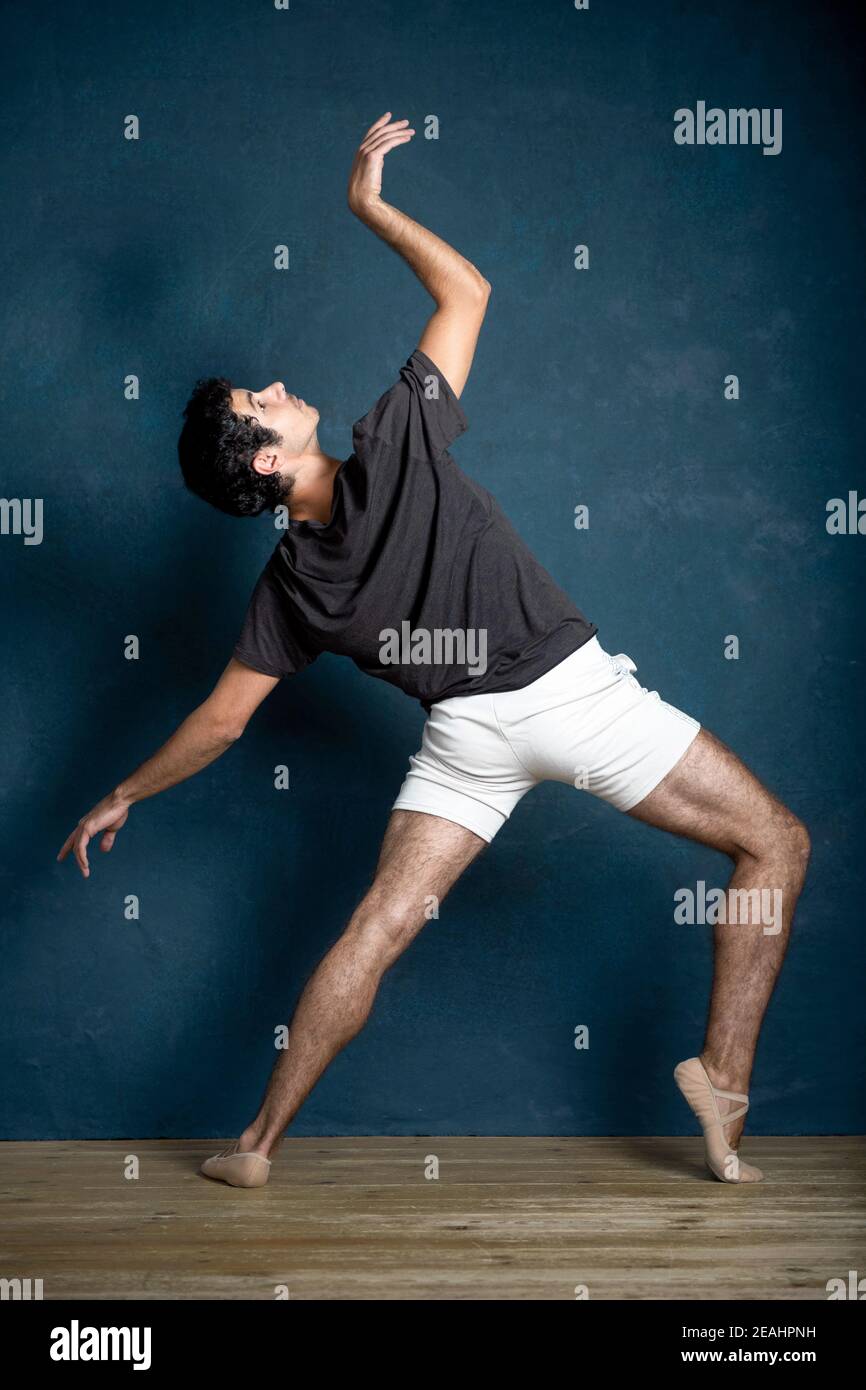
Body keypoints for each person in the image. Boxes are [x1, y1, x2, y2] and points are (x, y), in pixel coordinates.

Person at [58, 114, 810, 1189]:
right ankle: (722, 1083)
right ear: (267, 455)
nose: (273, 386)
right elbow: (467, 292)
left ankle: (255, 1146)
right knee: (774, 842)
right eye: (258, 404)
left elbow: (224, 720)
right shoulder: (391, 442)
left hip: (465, 740)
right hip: (570, 700)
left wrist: (123, 791)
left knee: (375, 925)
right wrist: (366, 203)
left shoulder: (287, 586)